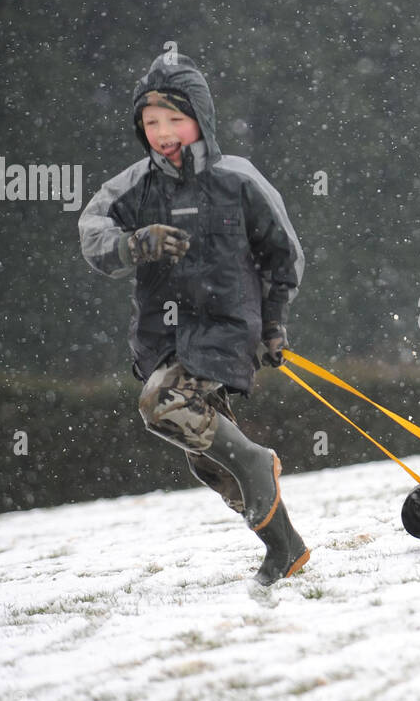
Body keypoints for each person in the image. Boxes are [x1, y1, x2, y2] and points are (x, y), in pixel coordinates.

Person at [78, 51, 309, 585]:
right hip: (162, 337)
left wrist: (273, 324)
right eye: (151, 122)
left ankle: (257, 462)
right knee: (207, 458)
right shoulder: (134, 187)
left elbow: (284, 257)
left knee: (163, 404)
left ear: (201, 119)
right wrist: (134, 243)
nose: (162, 132)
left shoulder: (238, 180)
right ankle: (285, 547)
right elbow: (92, 233)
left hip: (229, 328)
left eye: (174, 119)